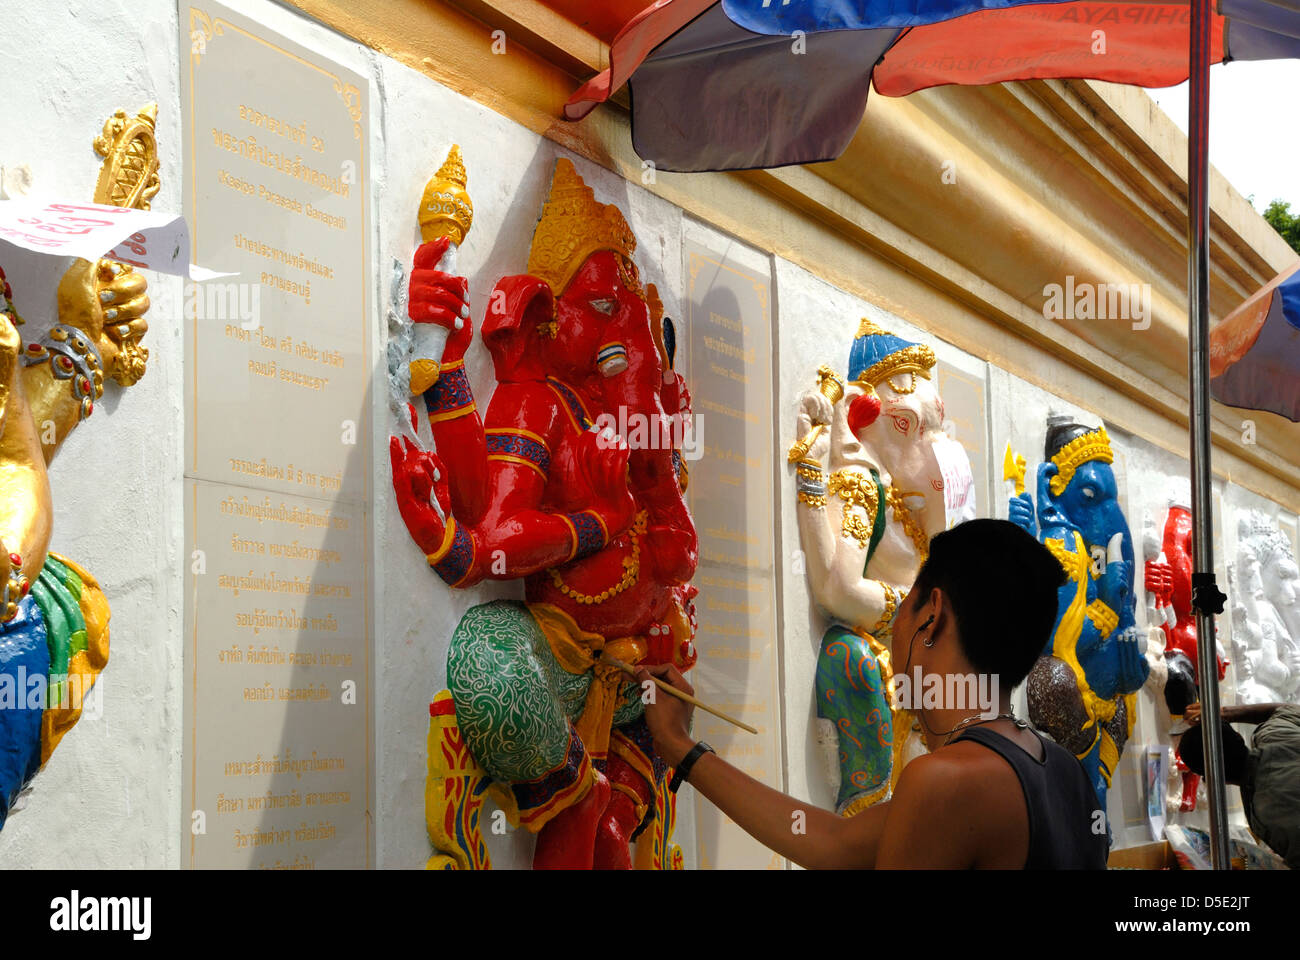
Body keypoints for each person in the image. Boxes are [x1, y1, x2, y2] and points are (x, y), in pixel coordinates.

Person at [638, 518, 1110, 869]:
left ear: (932, 616)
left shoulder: (943, 781)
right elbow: (835, 842)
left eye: (902, 606)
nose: (892, 629)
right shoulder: (1063, 770)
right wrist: (681, 748)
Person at [1179, 701, 1300, 868]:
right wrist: (1226, 712)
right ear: (1239, 736)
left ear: (1210, 780)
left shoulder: (1268, 812)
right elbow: (1284, 710)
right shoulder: (1276, 734)